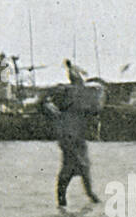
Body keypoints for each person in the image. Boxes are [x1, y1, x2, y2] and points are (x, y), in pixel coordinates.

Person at [42, 78, 101, 208]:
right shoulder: (75, 115)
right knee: (89, 193)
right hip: (78, 156)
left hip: (72, 156)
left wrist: (49, 94)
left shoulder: (62, 116)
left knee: (62, 194)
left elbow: (44, 104)